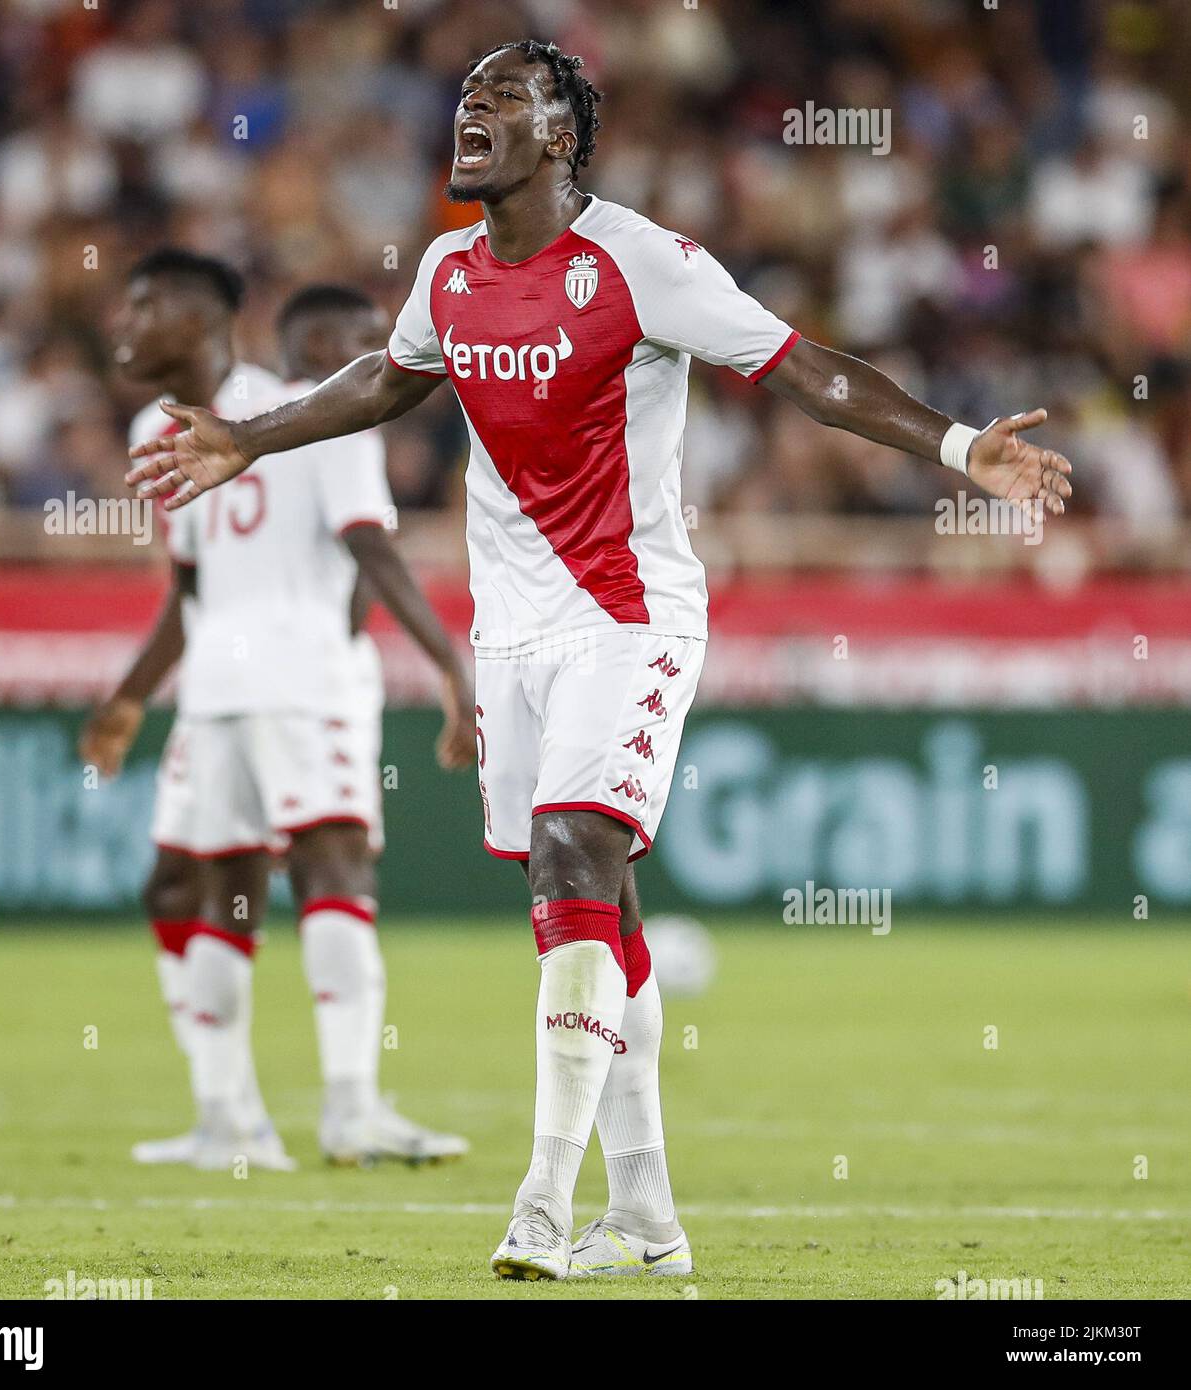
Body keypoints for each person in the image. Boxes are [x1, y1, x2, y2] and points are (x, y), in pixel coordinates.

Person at [123, 43, 1073, 1276]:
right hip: (511, 633)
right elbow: (387, 379)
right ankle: (648, 1220)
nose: (470, 111)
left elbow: (806, 370)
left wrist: (958, 450)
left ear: (563, 136)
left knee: (576, 851)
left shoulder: (643, 263)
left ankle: (539, 1199)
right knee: (595, 911)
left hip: (630, 617)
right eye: (465, 96)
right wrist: (248, 437)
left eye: (503, 97)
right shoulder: (448, 270)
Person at [83, 250, 476, 1170]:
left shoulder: (304, 407)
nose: (126, 324)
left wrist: (448, 668)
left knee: (329, 869)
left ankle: (353, 1109)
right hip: (216, 689)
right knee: (189, 888)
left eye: (146, 304)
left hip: (306, 681)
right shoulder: (154, 423)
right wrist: (130, 698)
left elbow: (370, 548)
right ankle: (231, 1123)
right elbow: (191, 587)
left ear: (203, 314)